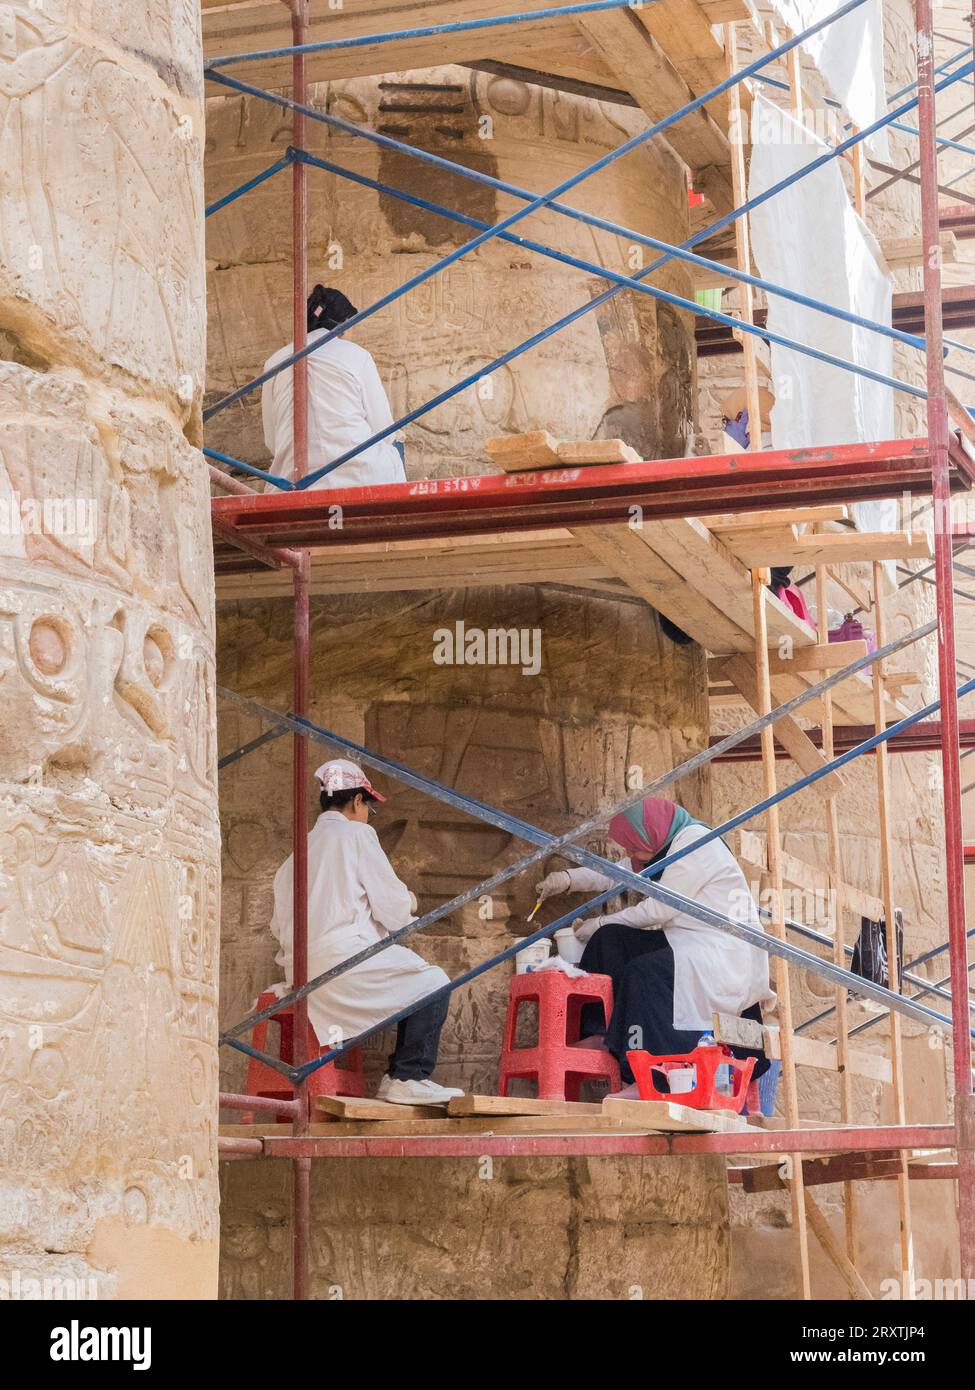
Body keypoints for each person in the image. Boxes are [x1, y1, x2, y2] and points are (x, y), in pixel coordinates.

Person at [534, 796, 775, 1098]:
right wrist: (568, 880)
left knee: (645, 972)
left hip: (722, 950)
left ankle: (647, 1078)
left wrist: (599, 922)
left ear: (651, 831)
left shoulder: (697, 844)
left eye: (633, 844)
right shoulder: (668, 845)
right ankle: (600, 1033)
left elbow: (658, 910)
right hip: (689, 940)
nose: (630, 852)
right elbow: (617, 872)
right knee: (611, 941)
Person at [269, 758, 462, 1105]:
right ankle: (407, 1075)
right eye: (369, 808)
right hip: (342, 962)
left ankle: (403, 1077)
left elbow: (277, 925)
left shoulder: (294, 857)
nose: (368, 816)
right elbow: (394, 911)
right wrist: (410, 901)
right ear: (358, 801)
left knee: (414, 977)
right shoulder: (358, 834)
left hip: (301, 974)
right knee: (433, 981)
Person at [261, 285, 406, 490]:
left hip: (291, 482)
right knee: (396, 441)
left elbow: (272, 442)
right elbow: (383, 429)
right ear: (344, 323)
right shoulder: (357, 355)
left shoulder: (274, 362)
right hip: (361, 477)